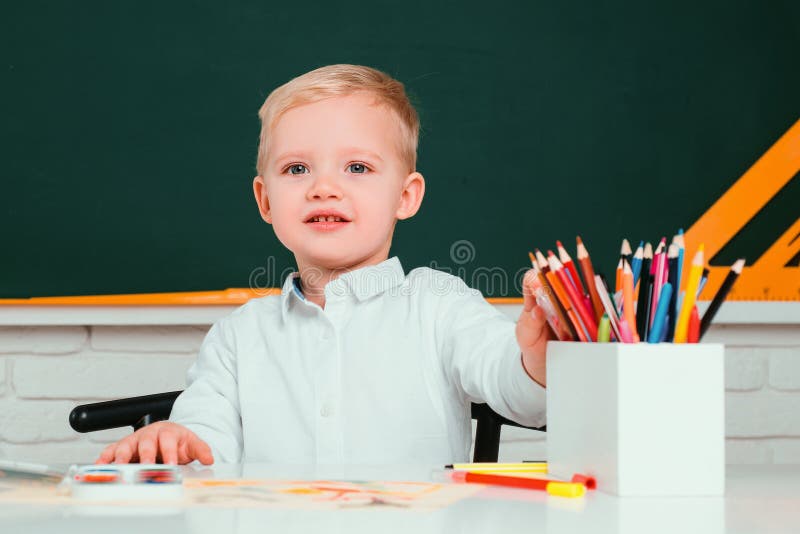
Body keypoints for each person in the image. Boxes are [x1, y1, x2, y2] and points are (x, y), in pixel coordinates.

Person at [96, 64, 551, 466]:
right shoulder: (238, 337)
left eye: (357, 168)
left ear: (405, 196)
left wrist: (536, 358)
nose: (324, 188)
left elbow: (521, 395)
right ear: (265, 200)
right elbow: (205, 447)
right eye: (297, 169)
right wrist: (175, 440)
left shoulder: (440, 307)